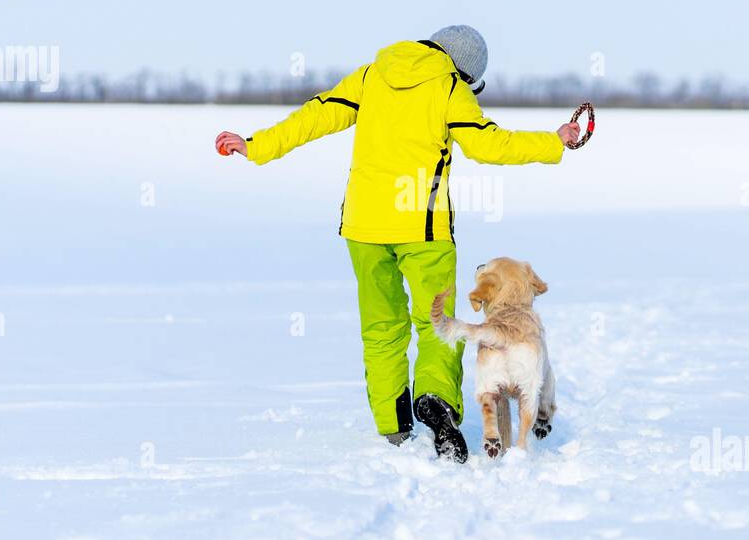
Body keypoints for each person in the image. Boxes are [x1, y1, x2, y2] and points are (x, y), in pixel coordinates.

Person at [216, 25, 578, 462]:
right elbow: (489, 144)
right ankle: (438, 402)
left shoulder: (371, 75)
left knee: (381, 328)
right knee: (436, 324)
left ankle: (393, 426)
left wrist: (255, 146)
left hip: (364, 227)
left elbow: (316, 115)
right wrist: (553, 142)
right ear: (464, 72)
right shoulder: (448, 87)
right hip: (422, 229)